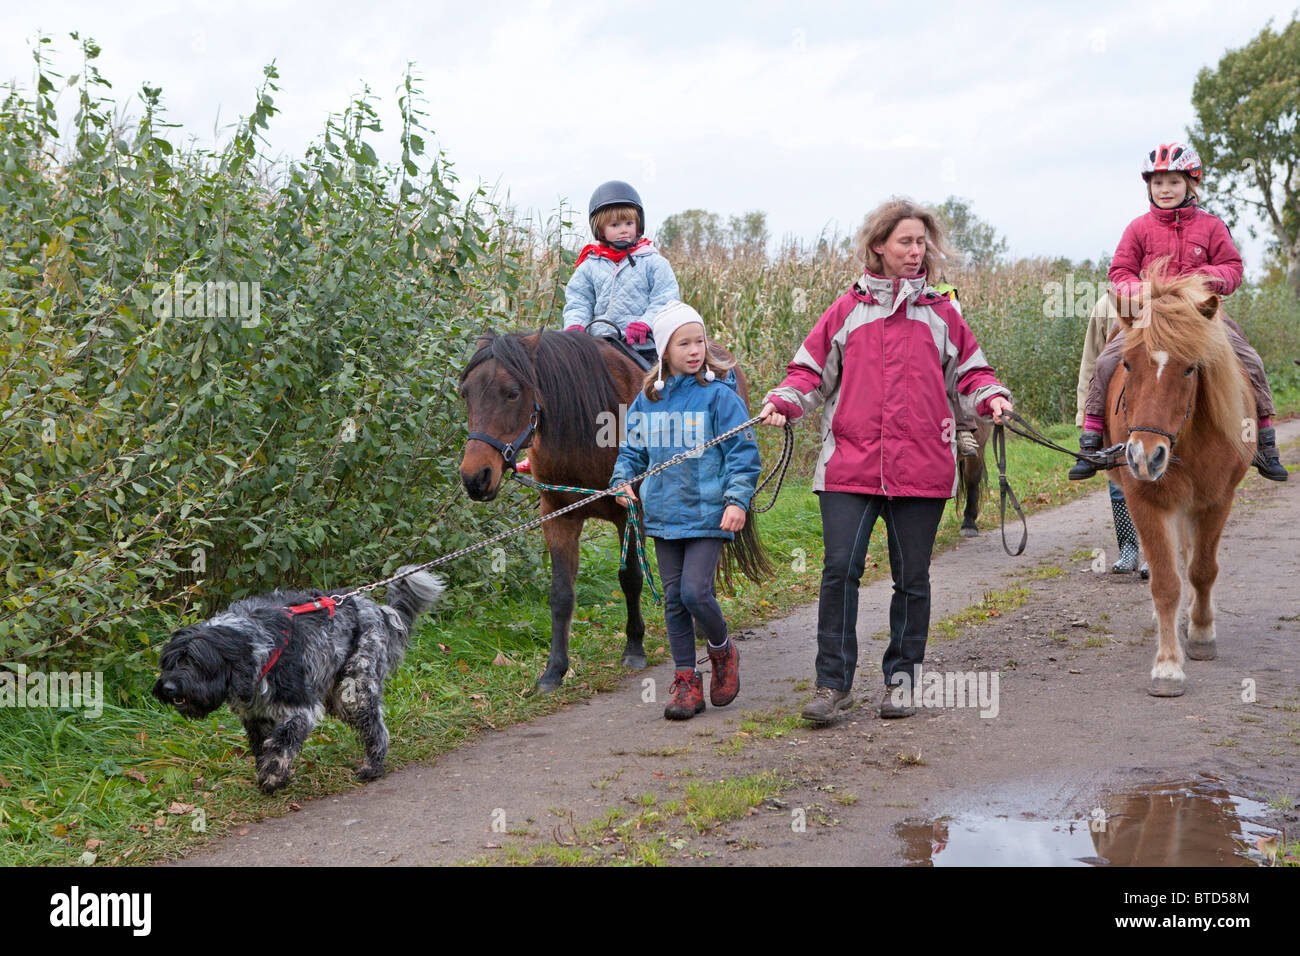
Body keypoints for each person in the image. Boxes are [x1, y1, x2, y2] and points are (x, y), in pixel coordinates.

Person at [759, 199, 1014, 722]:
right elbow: (809, 371)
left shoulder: (943, 314)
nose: (916, 251)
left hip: (921, 468)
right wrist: (785, 400)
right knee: (838, 571)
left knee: (912, 578)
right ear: (879, 246)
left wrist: (991, 397)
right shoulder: (846, 310)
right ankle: (832, 685)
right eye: (906, 242)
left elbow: (970, 374)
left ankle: (902, 682)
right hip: (849, 467)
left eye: (922, 242)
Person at [1070, 142, 1287, 482]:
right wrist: (1139, 292)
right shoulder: (1138, 228)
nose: (1165, 190)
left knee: (1250, 361)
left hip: (1198, 316)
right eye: (1157, 183)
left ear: (1190, 183)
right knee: (1106, 361)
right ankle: (1092, 438)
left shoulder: (1212, 227)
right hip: (1149, 317)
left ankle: (1264, 441)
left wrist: (1205, 283)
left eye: (1173, 182)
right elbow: (1120, 272)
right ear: (1149, 188)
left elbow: (1232, 267)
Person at [610, 301, 760, 721]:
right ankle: (685, 682)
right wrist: (622, 481)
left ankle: (721, 649)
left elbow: (743, 454)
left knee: (695, 592)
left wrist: (737, 500)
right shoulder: (648, 401)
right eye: (684, 343)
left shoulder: (719, 397)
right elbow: (632, 451)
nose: (695, 350)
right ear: (664, 351)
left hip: (709, 513)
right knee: (674, 601)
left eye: (699, 341)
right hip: (662, 516)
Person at [517, 180, 678, 475]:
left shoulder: (653, 263)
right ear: (600, 230)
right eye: (616, 224)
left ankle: (667, 446)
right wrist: (576, 326)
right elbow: (578, 299)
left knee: (662, 386)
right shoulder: (590, 265)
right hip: (596, 343)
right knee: (559, 388)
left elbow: (665, 298)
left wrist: (646, 321)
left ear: (639, 224)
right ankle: (543, 451)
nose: (624, 229)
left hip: (641, 342)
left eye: (629, 222)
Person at [1074, 295, 1149, 576]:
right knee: (1120, 481)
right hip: (1120, 410)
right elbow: (1091, 363)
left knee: (1158, 478)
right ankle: (1128, 547)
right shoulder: (1107, 306)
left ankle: (1155, 552)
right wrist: (1085, 416)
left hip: (1159, 412)